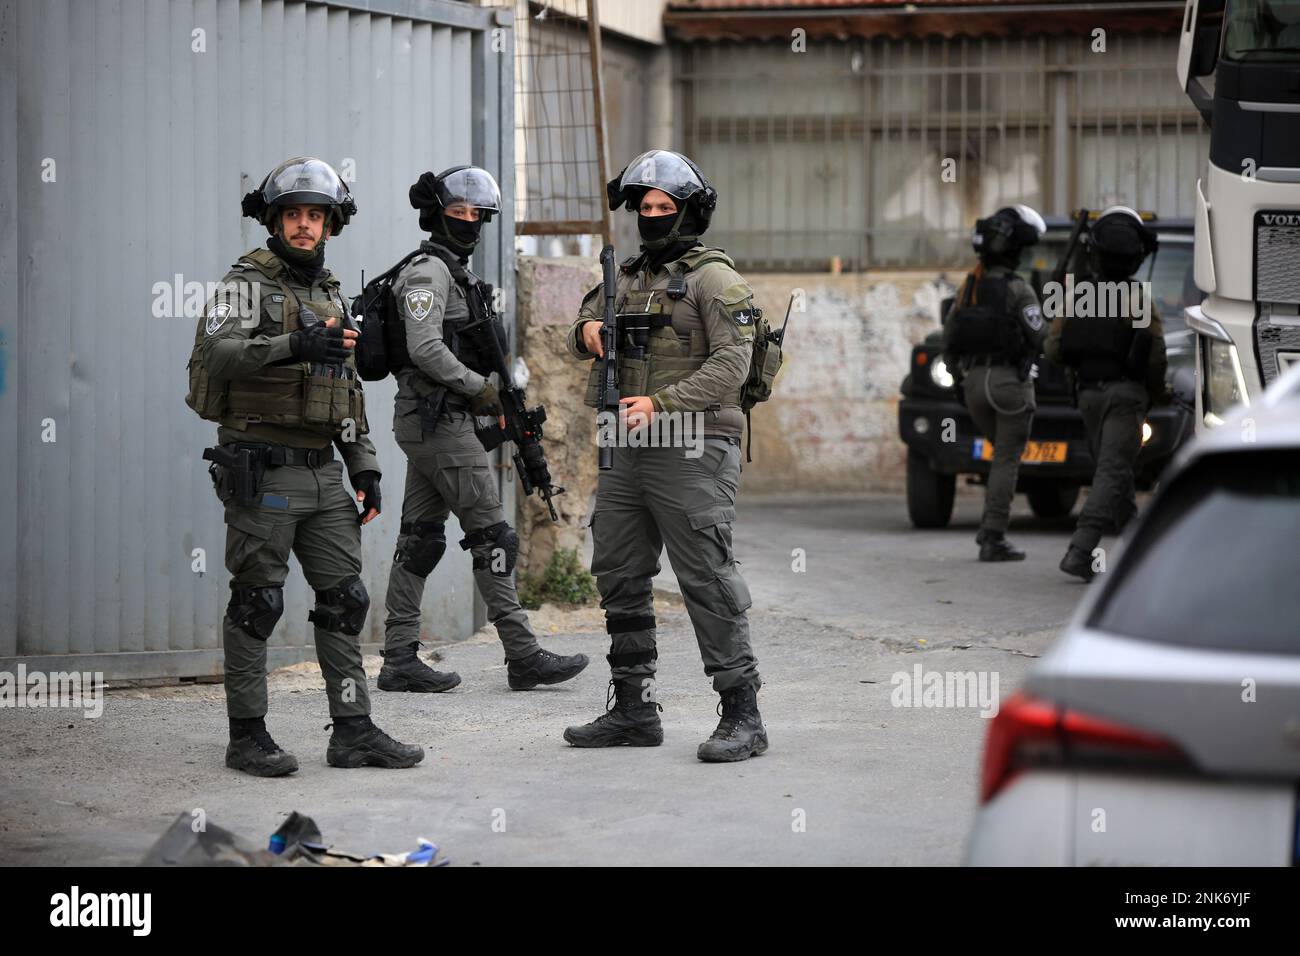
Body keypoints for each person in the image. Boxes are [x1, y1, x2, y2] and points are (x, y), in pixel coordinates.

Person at [187, 156, 423, 775]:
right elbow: (215, 355)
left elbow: (344, 386)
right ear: (274, 220)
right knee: (257, 603)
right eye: (292, 214)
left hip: (325, 473)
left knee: (345, 599)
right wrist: (293, 343)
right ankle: (247, 737)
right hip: (264, 469)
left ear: (329, 223)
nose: (302, 226)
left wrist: (364, 464)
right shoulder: (245, 283)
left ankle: (353, 731)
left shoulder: (329, 291)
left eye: (314, 215)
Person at [562, 149, 767, 762]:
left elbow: (732, 365)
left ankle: (743, 714)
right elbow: (582, 320)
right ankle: (633, 706)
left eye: (663, 208)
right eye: (643, 207)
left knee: (706, 576)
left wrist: (662, 401)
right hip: (627, 448)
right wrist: (586, 331)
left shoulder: (716, 281)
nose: (651, 216)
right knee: (619, 573)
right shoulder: (625, 277)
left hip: (693, 445)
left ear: (688, 212)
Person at [377, 166, 589, 692]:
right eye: (458, 213)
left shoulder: (456, 273)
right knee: (493, 534)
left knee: (420, 539)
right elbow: (425, 347)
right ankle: (522, 654)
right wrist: (479, 387)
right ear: (436, 214)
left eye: (477, 215)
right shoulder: (428, 273)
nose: (469, 222)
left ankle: (399, 658)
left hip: (438, 421)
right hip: (438, 420)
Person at [1045, 206, 1167, 581]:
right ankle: (1080, 551)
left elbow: (1052, 348)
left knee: (1115, 472)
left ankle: (1139, 551)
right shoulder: (1137, 299)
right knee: (1113, 472)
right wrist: (1157, 391)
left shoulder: (1080, 295)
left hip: (1088, 397)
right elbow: (1156, 354)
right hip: (1124, 397)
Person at [941, 205, 1047, 561]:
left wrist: (959, 379)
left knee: (997, 457)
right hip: (1008, 388)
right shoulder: (1019, 290)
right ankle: (993, 536)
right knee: (1006, 460)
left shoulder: (968, 288)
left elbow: (949, 340)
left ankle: (991, 528)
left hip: (975, 388)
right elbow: (1041, 338)